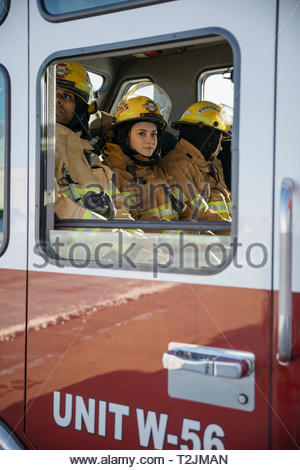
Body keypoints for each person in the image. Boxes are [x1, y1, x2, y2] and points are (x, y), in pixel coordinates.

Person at [55, 61, 131, 223]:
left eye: (66, 96)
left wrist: (141, 242)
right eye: (49, 94)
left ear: (82, 107)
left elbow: (122, 214)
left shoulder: (92, 156)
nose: (56, 101)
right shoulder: (35, 149)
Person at [101, 95, 196, 226]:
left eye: (154, 134)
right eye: (142, 133)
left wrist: (199, 233)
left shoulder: (158, 171)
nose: (150, 140)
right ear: (124, 136)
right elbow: (130, 222)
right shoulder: (111, 173)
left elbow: (186, 211)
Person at [160, 100, 232, 222]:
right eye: (218, 142)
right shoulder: (178, 167)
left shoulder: (207, 167)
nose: (220, 148)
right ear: (209, 141)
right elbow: (198, 215)